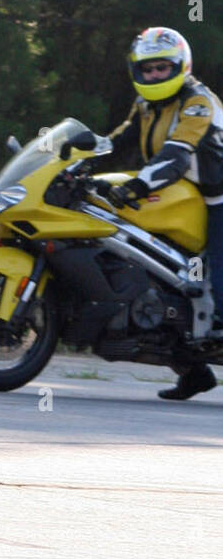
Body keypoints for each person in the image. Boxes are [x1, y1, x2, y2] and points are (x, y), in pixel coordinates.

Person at [102, 26, 223, 400]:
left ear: (181, 67)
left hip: (216, 198)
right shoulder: (146, 105)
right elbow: (116, 142)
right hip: (180, 196)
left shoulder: (198, 101)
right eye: (147, 69)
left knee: (218, 275)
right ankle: (193, 372)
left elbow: (176, 154)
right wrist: (71, 155)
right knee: (164, 281)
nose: (154, 76)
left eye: (162, 68)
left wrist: (137, 185)